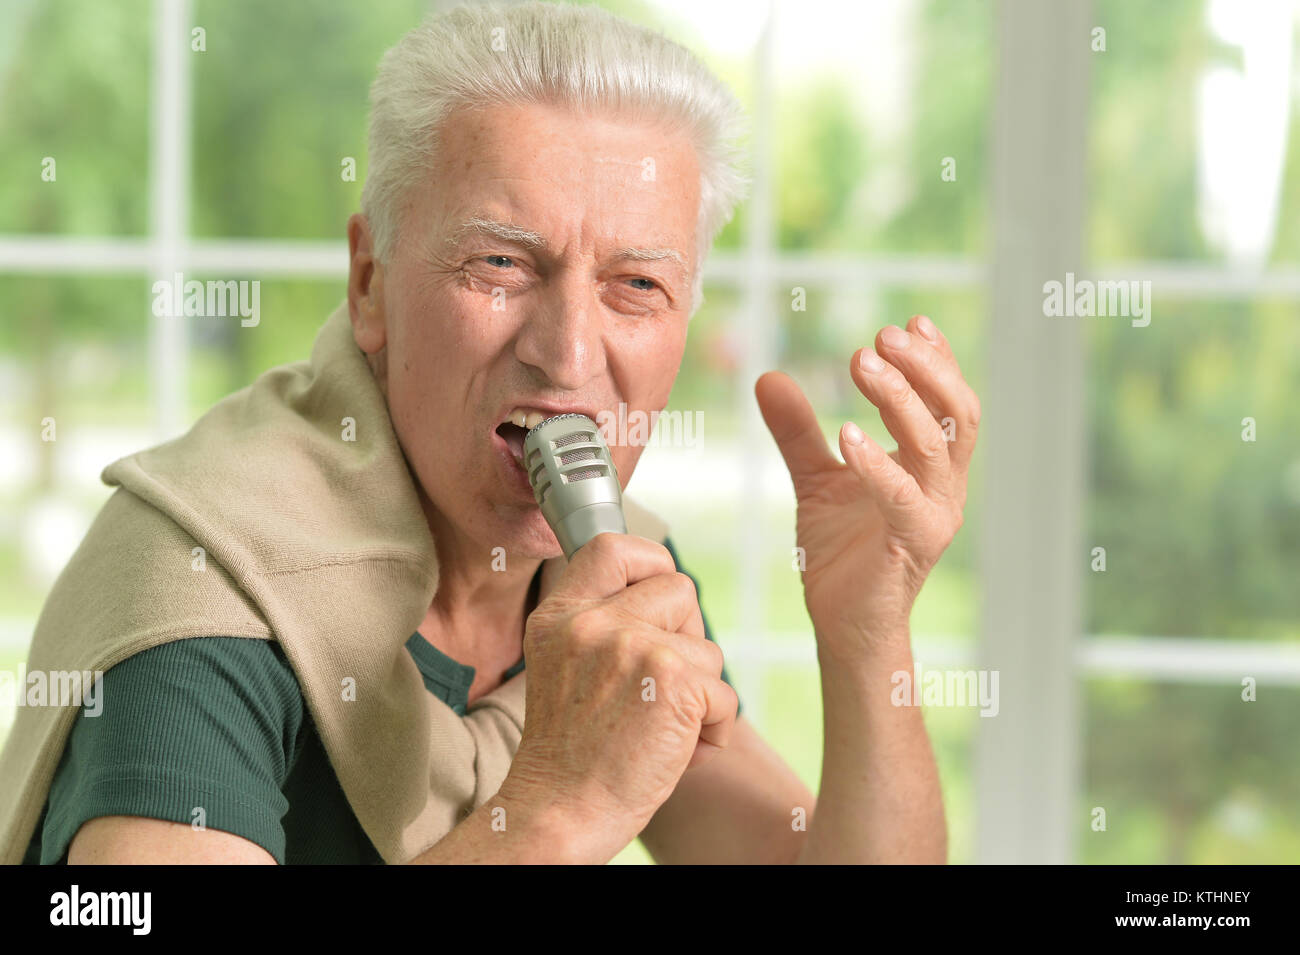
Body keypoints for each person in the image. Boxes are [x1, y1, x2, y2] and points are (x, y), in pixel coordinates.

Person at [4, 1, 979, 865]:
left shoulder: (613, 565)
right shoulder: (202, 584)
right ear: (370, 280)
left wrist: (867, 636)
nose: (565, 354)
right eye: (501, 264)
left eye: (636, 285)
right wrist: (561, 807)